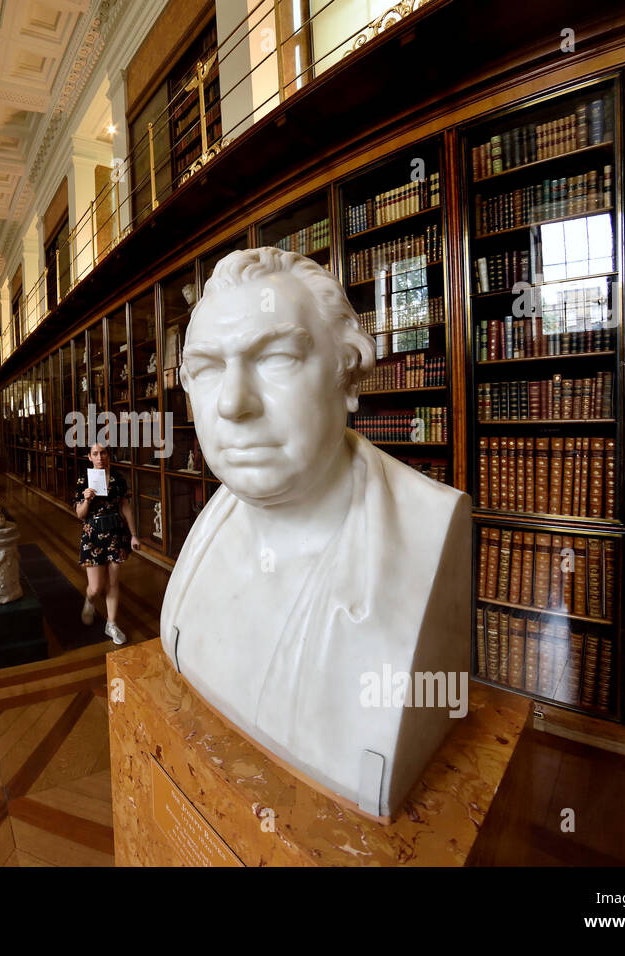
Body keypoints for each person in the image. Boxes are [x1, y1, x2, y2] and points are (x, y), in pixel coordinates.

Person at [158, 247, 470, 817]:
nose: (232, 403)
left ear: (348, 375)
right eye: (206, 369)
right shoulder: (208, 531)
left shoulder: (428, 530)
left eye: (275, 357)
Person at [73, 442, 140, 645]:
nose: (100, 457)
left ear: (108, 455)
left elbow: (125, 507)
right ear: (89, 457)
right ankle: (90, 600)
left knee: (113, 582)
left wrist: (134, 535)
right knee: (95, 587)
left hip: (115, 534)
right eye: (95, 453)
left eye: (103, 453)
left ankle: (111, 624)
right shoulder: (83, 480)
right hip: (92, 535)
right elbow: (80, 514)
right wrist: (86, 500)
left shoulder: (118, 479)